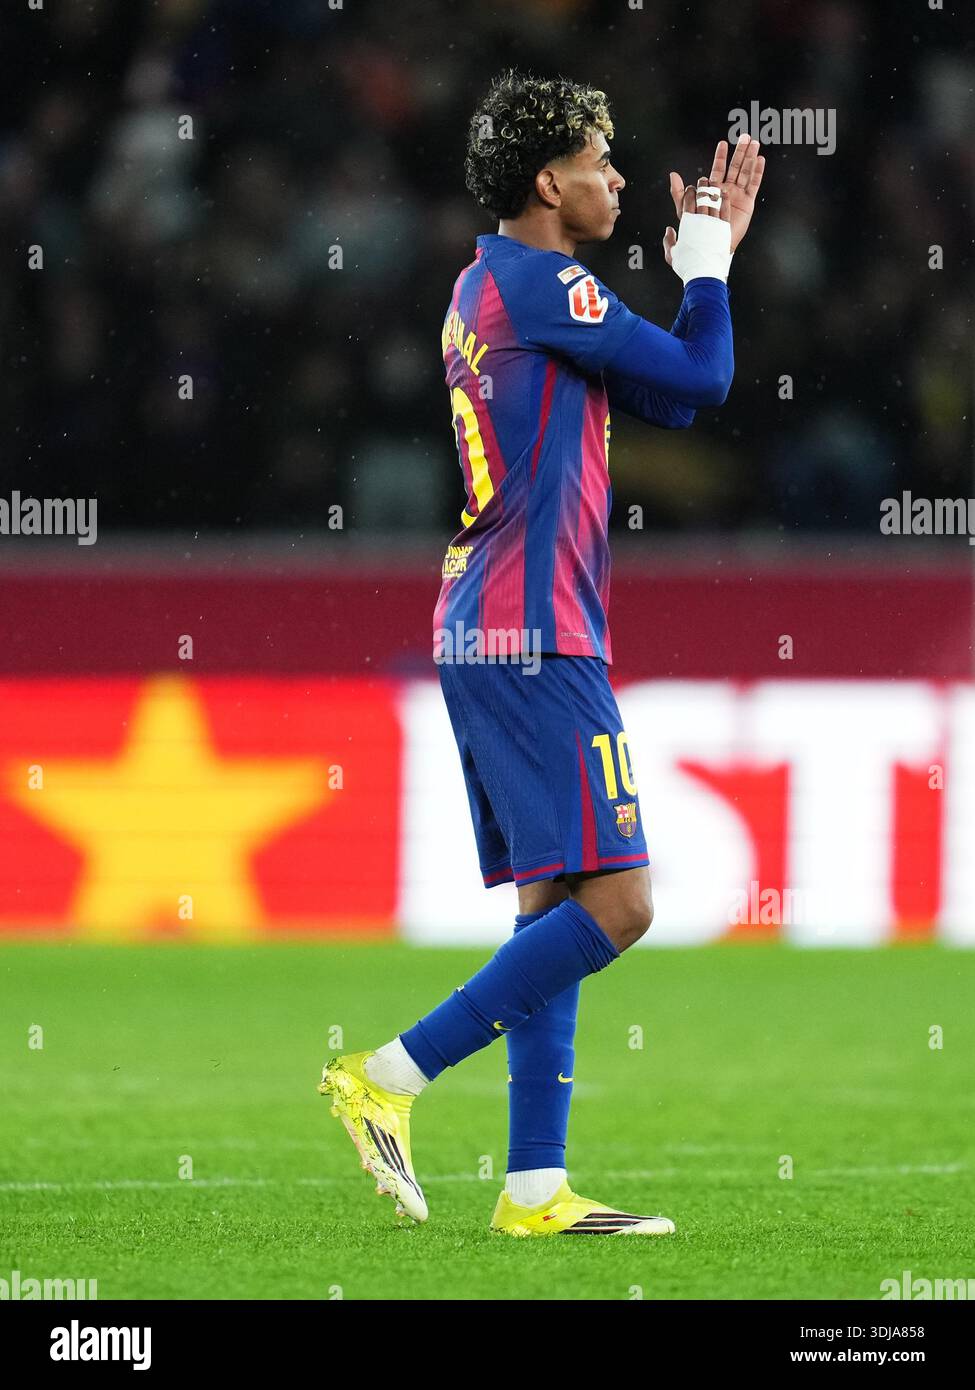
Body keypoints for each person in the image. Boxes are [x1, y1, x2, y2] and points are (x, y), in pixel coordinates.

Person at [320, 69, 764, 1237]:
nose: (618, 177)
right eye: (599, 159)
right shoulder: (542, 278)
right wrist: (707, 268)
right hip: (535, 631)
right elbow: (707, 378)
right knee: (620, 903)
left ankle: (534, 1188)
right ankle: (389, 1076)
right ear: (545, 182)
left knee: (554, 900)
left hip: (495, 618)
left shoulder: (493, 285)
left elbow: (666, 402)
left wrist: (697, 275)